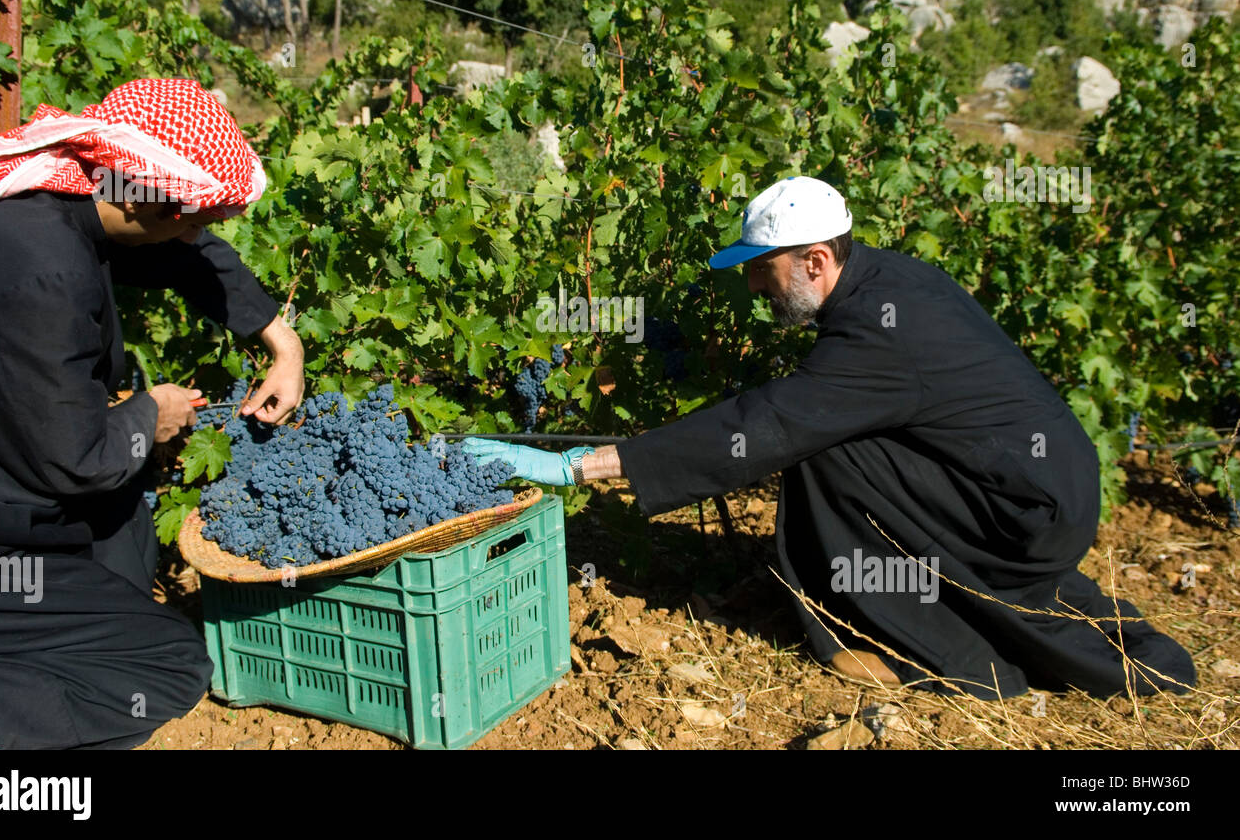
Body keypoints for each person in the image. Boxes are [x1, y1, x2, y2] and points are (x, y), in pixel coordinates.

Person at [466, 175, 1197, 700]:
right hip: (1039, 489)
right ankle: (921, 620)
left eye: (764, 271)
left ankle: (925, 654)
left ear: (816, 261)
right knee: (821, 438)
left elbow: (767, 426)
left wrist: (582, 466)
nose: (755, 289)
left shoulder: (880, 337)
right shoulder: (885, 282)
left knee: (816, 449)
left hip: (1025, 515)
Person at [0, 79, 304, 748]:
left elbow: (183, 252)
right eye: (192, 218)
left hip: (2, 462)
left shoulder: (65, 188)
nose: (195, 236)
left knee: (125, 560)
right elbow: (71, 456)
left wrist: (281, 339)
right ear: (146, 199)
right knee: (167, 665)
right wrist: (150, 414)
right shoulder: (44, 270)